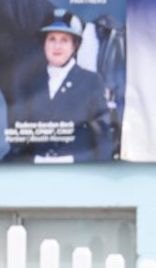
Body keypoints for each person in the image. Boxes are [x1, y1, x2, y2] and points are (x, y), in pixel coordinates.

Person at [11, 11, 113, 162]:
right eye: (52, 39)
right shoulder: (30, 84)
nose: (57, 46)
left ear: (75, 46)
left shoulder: (91, 81)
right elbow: (19, 136)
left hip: (78, 171)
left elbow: (103, 138)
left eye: (64, 40)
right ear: (44, 44)